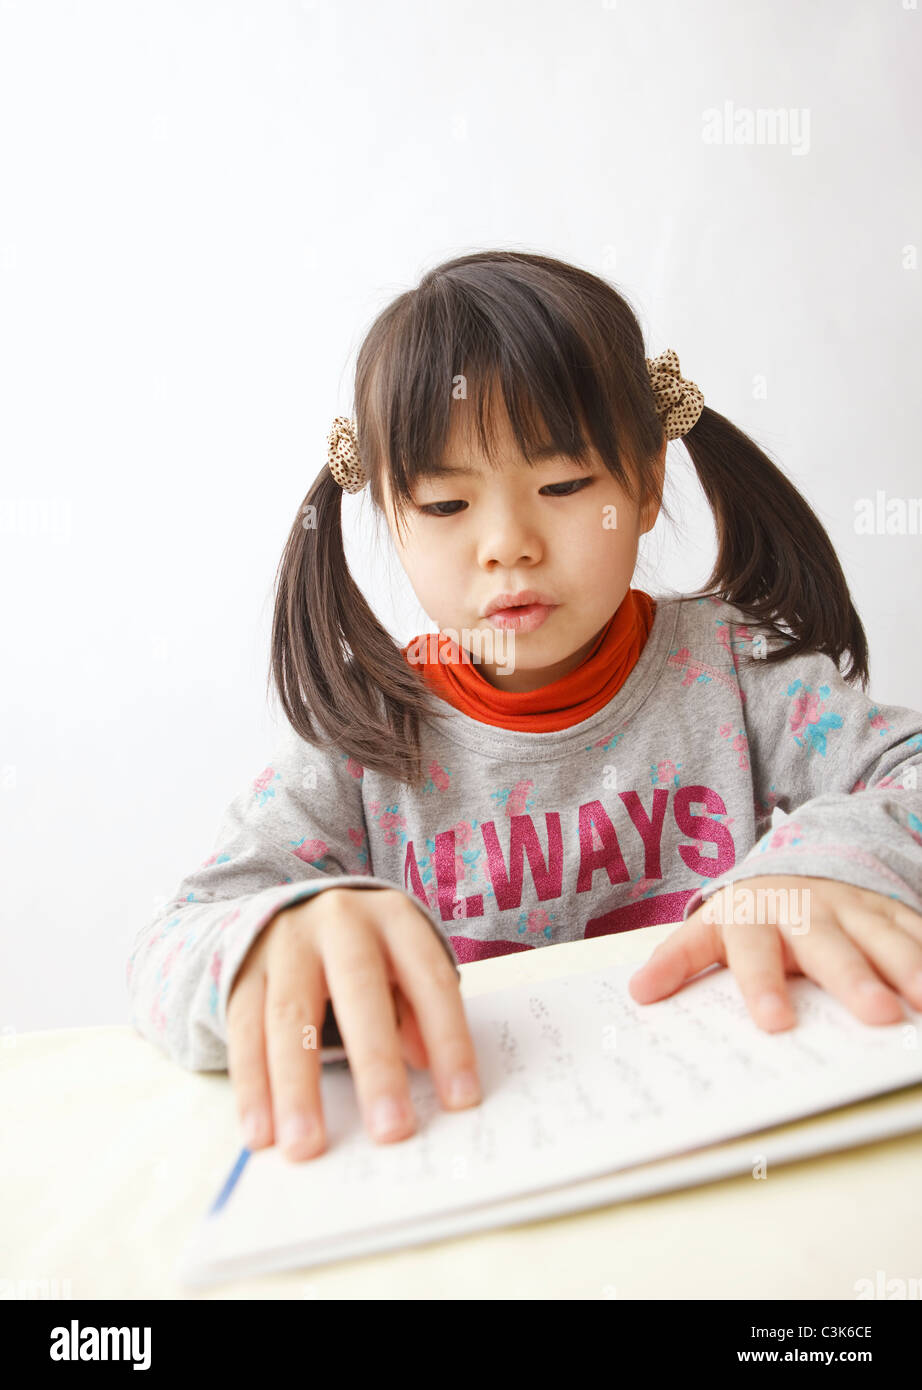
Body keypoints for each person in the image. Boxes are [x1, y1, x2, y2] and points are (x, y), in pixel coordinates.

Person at [126, 250, 922, 1166]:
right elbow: (165, 951)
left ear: (647, 483)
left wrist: (824, 868)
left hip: (730, 1134)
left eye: (563, 487)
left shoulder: (734, 675)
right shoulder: (364, 742)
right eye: (446, 502)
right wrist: (272, 938)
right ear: (391, 514)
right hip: (474, 1151)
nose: (508, 545)